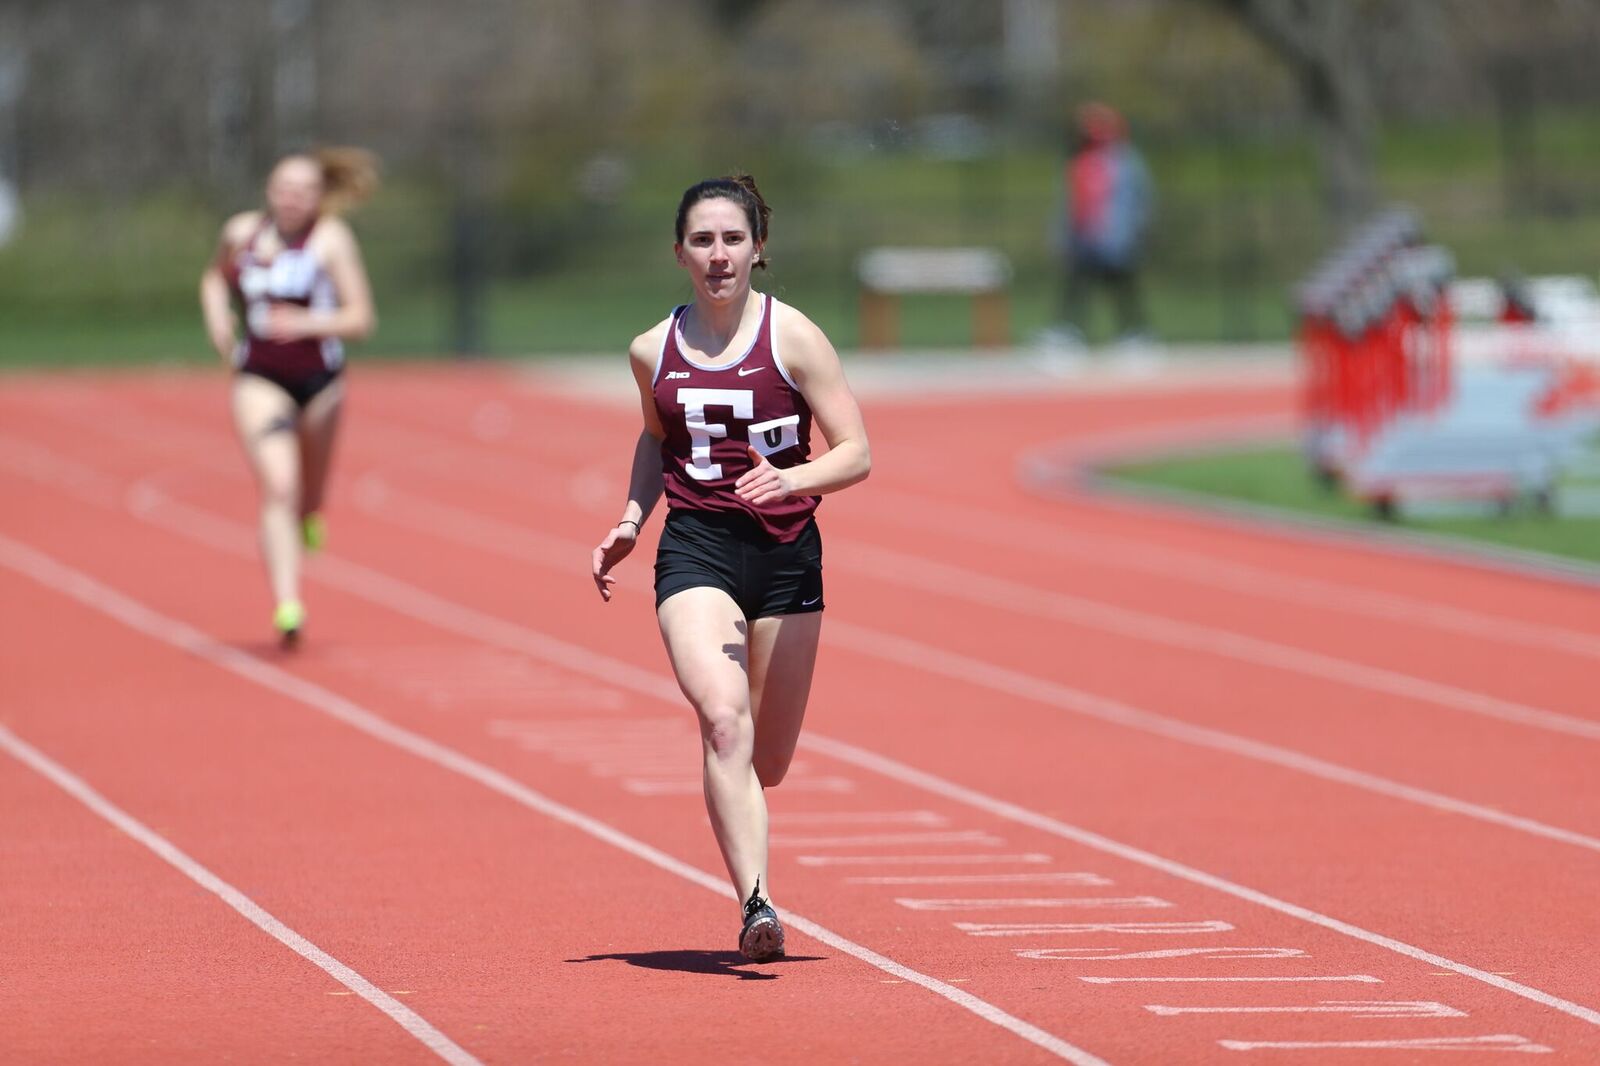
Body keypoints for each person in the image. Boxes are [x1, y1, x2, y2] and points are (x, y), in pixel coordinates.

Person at [591, 174, 871, 961]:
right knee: (721, 721)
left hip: (786, 554)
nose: (719, 256)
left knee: (766, 761)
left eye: (733, 239)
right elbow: (657, 439)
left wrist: (794, 479)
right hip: (698, 548)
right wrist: (631, 520)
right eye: (703, 241)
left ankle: (747, 832)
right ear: (679, 252)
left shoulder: (795, 338)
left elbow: (858, 451)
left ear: (758, 250)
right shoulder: (654, 349)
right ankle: (757, 903)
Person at [199, 148, 378, 646]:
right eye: (284, 188)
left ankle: (311, 513)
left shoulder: (331, 242)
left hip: (320, 382)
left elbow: (361, 318)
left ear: (320, 197)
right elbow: (214, 278)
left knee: (309, 492)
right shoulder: (241, 234)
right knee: (279, 485)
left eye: (304, 191)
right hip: (259, 377)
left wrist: (304, 323)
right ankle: (288, 603)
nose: (293, 199)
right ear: (269, 191)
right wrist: (218, 314)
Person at [1055, 102, 1153, 346]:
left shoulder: (1127, 162)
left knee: (1121, 287)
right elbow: (1071, 204)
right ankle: (1068, 333)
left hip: (1115, 239)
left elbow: (1141, 200)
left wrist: (1136, 232)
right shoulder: (1080, 161)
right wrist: (1064, 237)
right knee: (1077, 288)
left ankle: (1136, 334)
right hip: (1085, 240)